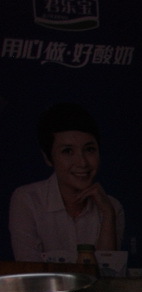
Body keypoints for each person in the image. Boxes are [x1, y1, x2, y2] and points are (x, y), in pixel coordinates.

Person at [8, 102, 124, 263]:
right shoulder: (28, 199)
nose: (82, 162)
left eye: (89, 149)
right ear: (48, 158)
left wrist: (107, 214)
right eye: (68, 151)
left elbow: (108, 277)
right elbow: (30, 273)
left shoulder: (112, 207)